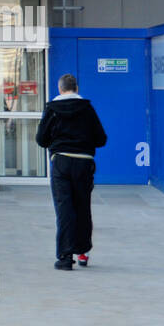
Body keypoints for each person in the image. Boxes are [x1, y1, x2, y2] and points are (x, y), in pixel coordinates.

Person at [35, 73, 108, 270]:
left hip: (61, 162)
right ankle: (83, 252)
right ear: (76, 88)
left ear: (60, 89)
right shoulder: (87, 108)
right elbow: (101, 139)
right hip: (84, 163)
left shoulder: (52, 109)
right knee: (82, 207)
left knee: (64, 209)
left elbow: (41, 139)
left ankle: (65, 257)